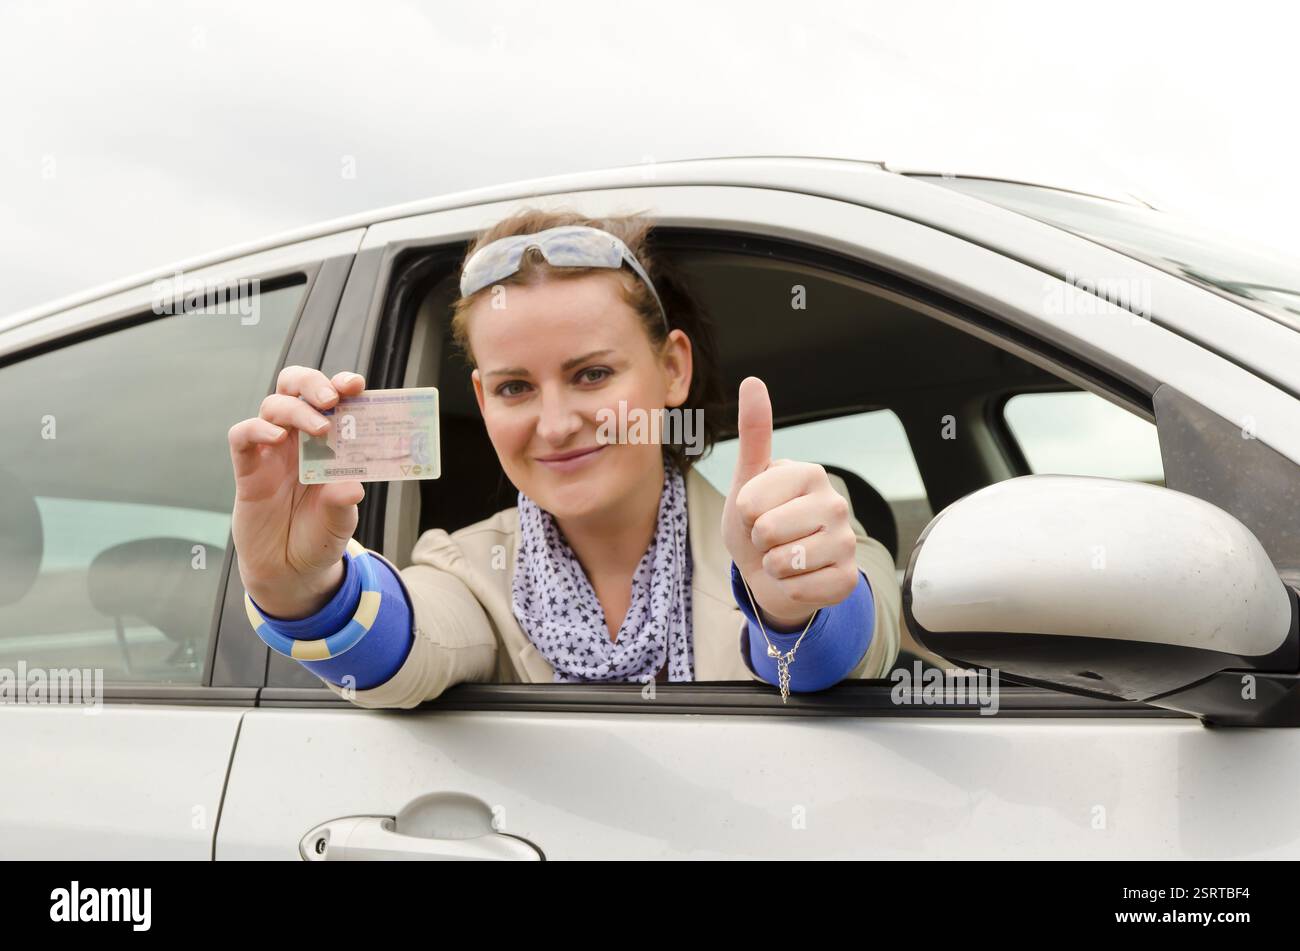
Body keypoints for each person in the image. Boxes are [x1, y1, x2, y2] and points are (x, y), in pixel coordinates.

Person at [227, 208, 903, 709]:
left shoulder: (789, 533)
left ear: (673, 368)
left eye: (591, 374)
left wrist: (792, 609)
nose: (554, 425)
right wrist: (301, 590)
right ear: (482, 399)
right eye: (514, 388)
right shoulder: (468, 566)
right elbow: (407, 645)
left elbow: (854, 651)